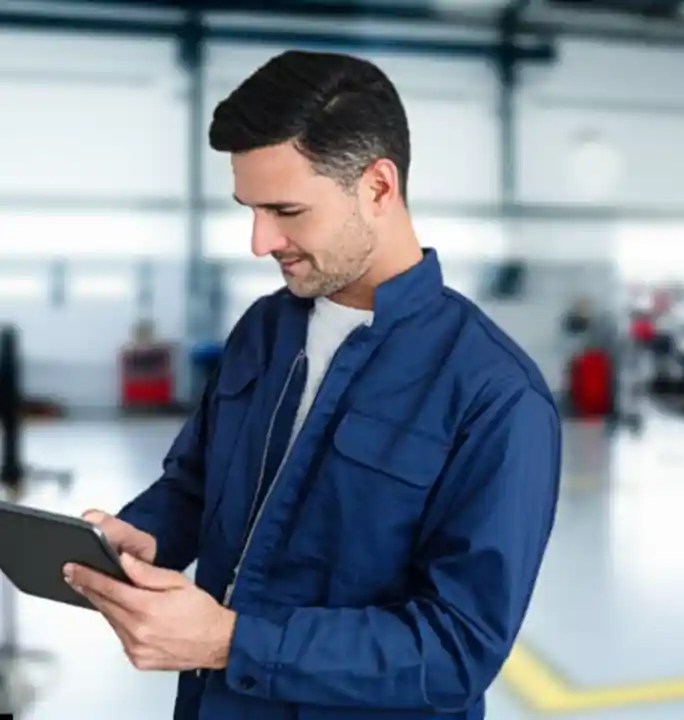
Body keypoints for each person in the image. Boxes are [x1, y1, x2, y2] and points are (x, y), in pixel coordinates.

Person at [61, 49, 562, 720]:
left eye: (286, 210)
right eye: (250, 209)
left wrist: (231, 643)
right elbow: (197, 482)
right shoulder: (264, 330)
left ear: (378, 188)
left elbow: (457, 651)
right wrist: (142, 535)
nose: (260, 241)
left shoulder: (495, 396)